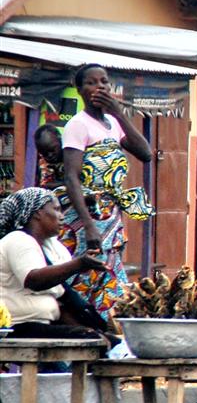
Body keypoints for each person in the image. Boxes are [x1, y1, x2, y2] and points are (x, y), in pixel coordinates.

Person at [61, 64, 153, 321]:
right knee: (84, 278)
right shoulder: (78, 125)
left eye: (104, 82)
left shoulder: (113, 123)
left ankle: (105, 331)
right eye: (91, 82)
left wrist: (119, 113)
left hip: (110, 217)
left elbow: (145, 153)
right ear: (80, 89)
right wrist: (89, 225)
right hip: (85, 216)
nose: (99, 87)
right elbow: (71, 177)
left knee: (109, 279)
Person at [0, 187, 109, 343]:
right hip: (16, 326)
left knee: (104, 340)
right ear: (37, 213)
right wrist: (79, 263)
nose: (62, 217)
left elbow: (61, 297)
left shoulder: (50, 246)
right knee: (91, 339)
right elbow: (34, 281)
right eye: (56, 210)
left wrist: (89, 329)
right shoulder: (18, 240)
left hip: (42, 324)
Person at [34, 124, 64, 189]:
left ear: (60, 139)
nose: (50, 155)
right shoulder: (43, 163)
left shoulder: (73, 155)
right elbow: (44, 185)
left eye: (52, 150)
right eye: (44, 153)